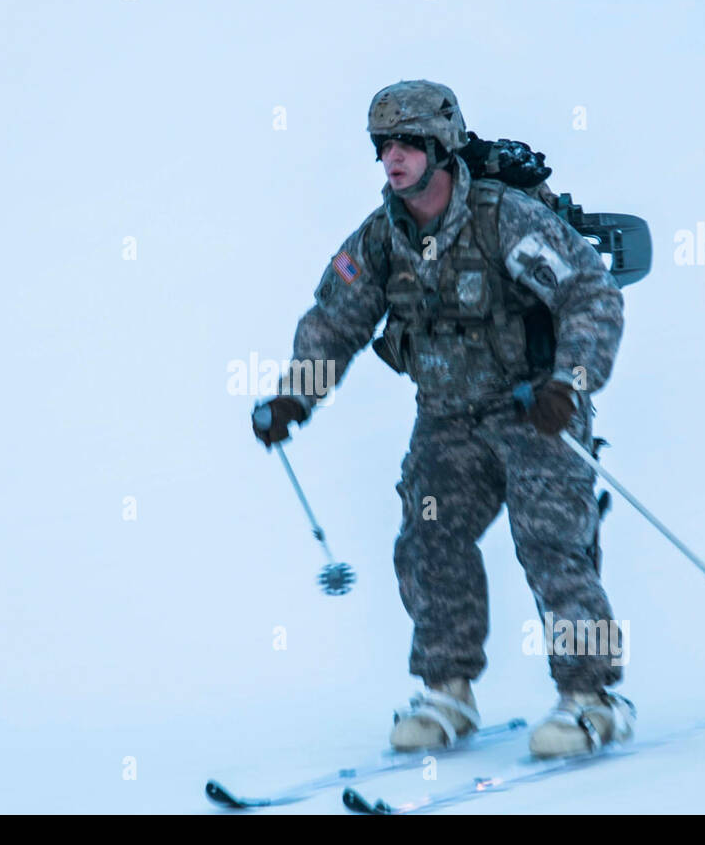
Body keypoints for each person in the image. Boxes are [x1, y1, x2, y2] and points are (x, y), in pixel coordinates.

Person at [252, 80, 634, 759]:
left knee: (552, 547)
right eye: (384, 147)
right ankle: (447, 691)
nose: (393, 159)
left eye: (409, 145)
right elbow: (333, 322)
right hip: (447, 418)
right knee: (428, 542)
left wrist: (568, 386)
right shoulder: (381, 238)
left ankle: (592, 698)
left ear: (442, 148)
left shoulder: (502, 219)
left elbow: (589, 294)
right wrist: (295, 397)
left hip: (534, 411)